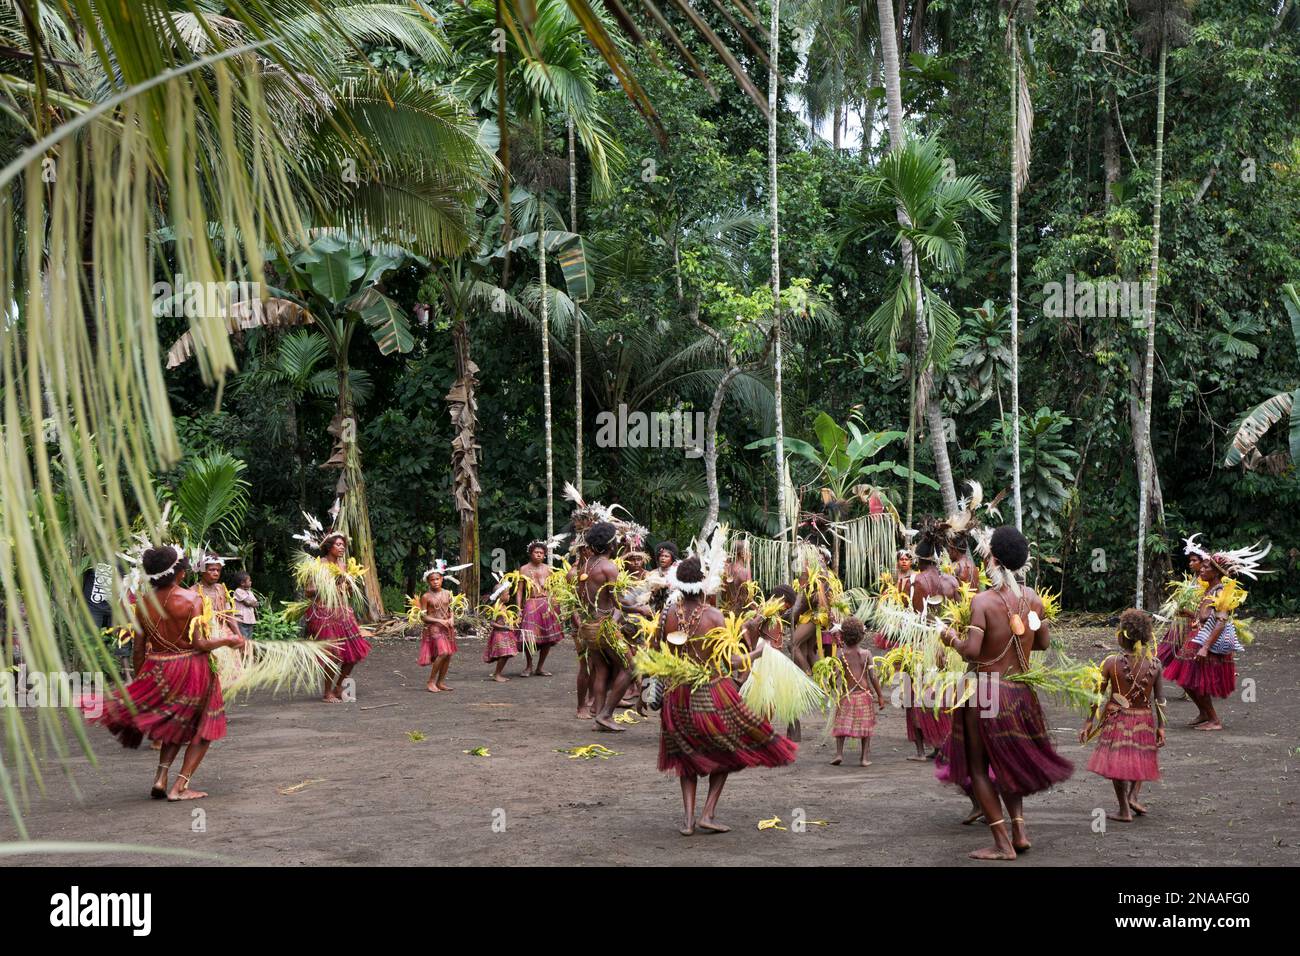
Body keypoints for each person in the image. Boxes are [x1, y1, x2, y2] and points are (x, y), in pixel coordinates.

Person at [938, 525, 1074, 861]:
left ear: (994, 560)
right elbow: (1042, 643)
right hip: (1021, 693)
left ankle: (1001, 843)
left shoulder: (984, 601)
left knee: (980, 767)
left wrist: (948, 638)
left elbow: (971, 651)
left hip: (986, 692)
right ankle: (1019, 831)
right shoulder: (1034, 601)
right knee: (1008, 763)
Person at [654, 555, 797, 835]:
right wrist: (758, 651)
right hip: (711, 694)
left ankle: (688, 821)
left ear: (678, 585)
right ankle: (707, 813)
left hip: (677, 695)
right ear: (703, 585)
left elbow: (659, 654)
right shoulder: (714, 616)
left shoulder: (666, 615)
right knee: (729, 752)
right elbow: (731, 661)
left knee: (686, 757)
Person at [88, 545, 244, 801]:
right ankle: (179, 786)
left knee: (175, 726)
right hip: (192, 668)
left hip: (159, 667)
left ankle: (161, 778)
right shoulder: (192, 599)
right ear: (180, 573)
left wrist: (144, 681)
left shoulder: (142, 604)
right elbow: (199, 644)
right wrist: (228, 641)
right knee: (204, 729)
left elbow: (138, 650)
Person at [1163, 540, 1269, 731]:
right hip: (1197, 637)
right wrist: (1186, 613)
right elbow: (1203, 617)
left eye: (1206, 567)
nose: (1202, 570)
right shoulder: (1208, 589)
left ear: (1217, 571)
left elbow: (1221, 621)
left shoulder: (1221, 590)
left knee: (1193, 680)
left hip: (1207, 643)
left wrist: (1205, 647)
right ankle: (1203, 714)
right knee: (1185, 680)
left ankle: (1214, 719)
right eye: (1202, 566)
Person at [1081, 609, 1165, 822]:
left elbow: (1096, 696)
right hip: (1144, 718)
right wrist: (1161, 726)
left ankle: (1123, 809)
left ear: (1121, 635)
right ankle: (1134, 796)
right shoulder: (1155, 664)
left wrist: (1089, 721)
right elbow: (1160, 700)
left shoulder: (1111, 662)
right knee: (1141, 756)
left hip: (1117, 718)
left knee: (1117, 762)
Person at [574, 522, 640, 732]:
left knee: (601, 669)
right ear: (610, 543)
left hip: (589, 626)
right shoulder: (608, 567)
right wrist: (641, 609)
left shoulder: (585, 567)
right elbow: (618, 602)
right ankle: (606, 714)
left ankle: (600, 720)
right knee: (631, 667)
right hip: (604, 627)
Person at [905, 522, 958, 761]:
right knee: (945, 691)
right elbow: (959, 611)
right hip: (949, 641)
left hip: (926, 643)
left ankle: (928, 747)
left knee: (919, 694)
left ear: (919, 559)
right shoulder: (951, 581)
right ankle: (943, 744)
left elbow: (918, 618)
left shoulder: (919, 582)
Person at [298, 529, 371, 703]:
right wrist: (329, 585)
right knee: (332, 654)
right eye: (338, 544)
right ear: (329, 546)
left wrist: (349, 587)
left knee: (354, 654)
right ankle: (327, 692)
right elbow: (309, 591)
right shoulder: (317, 566)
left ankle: (339, 686)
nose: (342, 547)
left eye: (343, 544)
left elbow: (348, 592)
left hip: (343, 613)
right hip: (323, 613)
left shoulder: (344, 566)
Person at [831, 617, 884, 767]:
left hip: (846, 695)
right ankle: (864, 757)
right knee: (866, 728)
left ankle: (839, 754)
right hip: (864, 695)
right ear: (861, 636)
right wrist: (880, 695)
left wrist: (829, 683)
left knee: (841, 725)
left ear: (842, 635)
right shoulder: (866, 654)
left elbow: (835, 675)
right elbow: (873, 677)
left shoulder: (840, 654)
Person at [1157, 536, 1206, 669]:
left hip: (1195, 625)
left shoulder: (1206, 581)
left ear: (1203, 563)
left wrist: (1187, 611)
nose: (1190, 563)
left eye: (1194, 560)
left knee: (1188, 662)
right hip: (1183, 623)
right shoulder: (1194, 578)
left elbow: (1203, 610)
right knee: (1168, 651)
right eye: (1190, 560)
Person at [518, 541, 564, 677]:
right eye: (536, 552)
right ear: (531, 554)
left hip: (546, 603)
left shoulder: (548, 569)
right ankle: (529, 666)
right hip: (531, 603)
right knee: (528, 636)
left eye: (541, 553)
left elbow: (554, 589)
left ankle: (540, 667)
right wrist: (519, 608)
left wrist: (557, 607)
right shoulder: (524, 569)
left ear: (544, 555)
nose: (539, 555)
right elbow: (520, 590)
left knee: (547, 638)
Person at [419, 565, 457, 693]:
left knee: (449, 655)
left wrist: (451, 619)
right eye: (432, 580)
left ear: (442, 579)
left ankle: (440, 682)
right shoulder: (426, 597)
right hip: (434, 628)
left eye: (437, 579)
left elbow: (451, 610)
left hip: (447, 628)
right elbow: (423, 617)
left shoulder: (447, 593)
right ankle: (431, 681)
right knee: (443, 653)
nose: (435, 581)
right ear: (428, 582)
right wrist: (439, 620)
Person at [232, 572, 259, 640]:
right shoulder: (238, 591)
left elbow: (256, 604)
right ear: (242, 583)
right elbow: (247, 603)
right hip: (241, 620)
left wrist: (251, 603)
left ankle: (248, 650)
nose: (251, 582)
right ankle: (242, 650)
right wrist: (251, 603)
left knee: (249, 639)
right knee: (243, 639)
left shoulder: (249, 592)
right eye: (249, 580)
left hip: (250, 619)